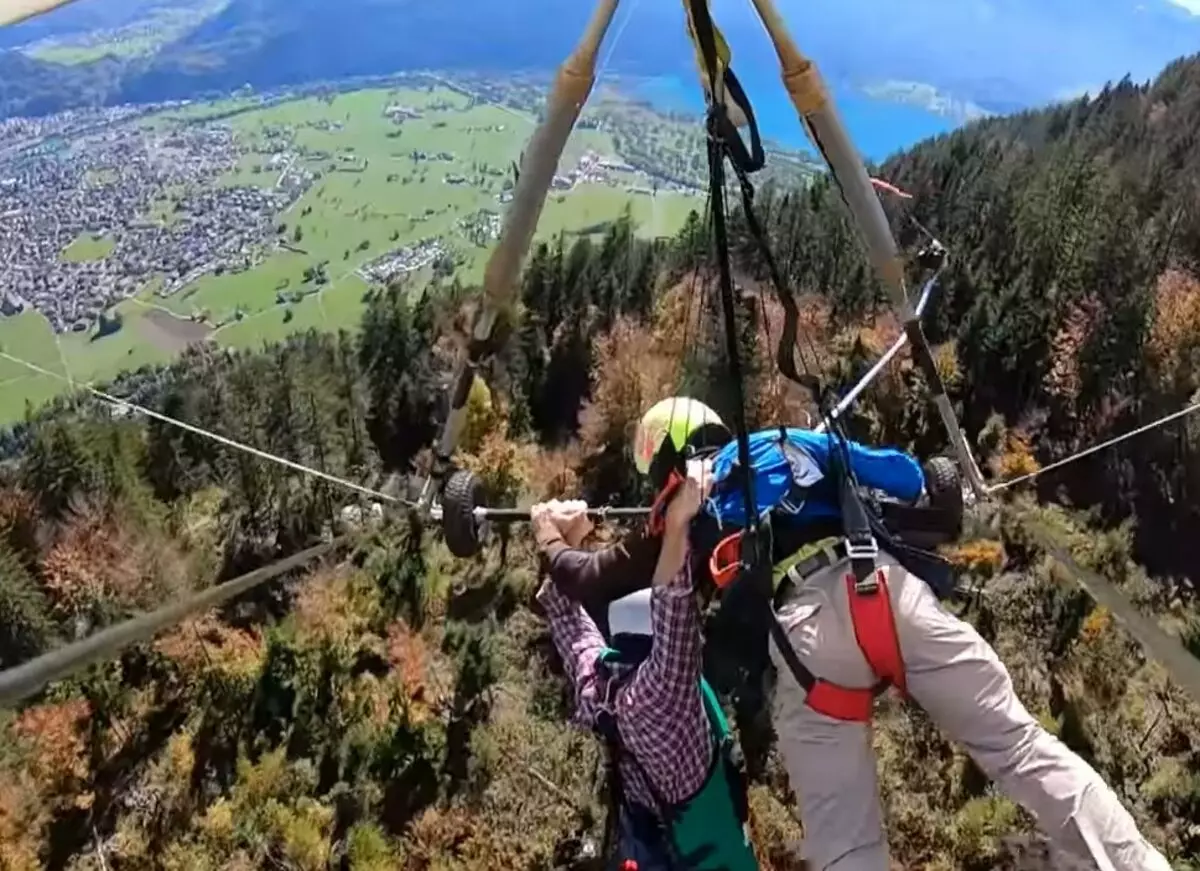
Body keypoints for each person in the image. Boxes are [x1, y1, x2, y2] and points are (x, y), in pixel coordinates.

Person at [539, 395, 1173, 871]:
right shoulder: (790, 444)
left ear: (666, 458)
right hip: (883, 592)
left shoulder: (680, 502)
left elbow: (589, 577)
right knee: (1020, 746)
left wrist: (548, 538)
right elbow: (906, 477)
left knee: (848, 846)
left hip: (808, 645)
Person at [533, 459, 759, 871]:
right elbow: (673, 605)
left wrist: (564, 536)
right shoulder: (662, 695)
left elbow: (566, 613)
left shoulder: (599, 690)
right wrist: (677, 522)